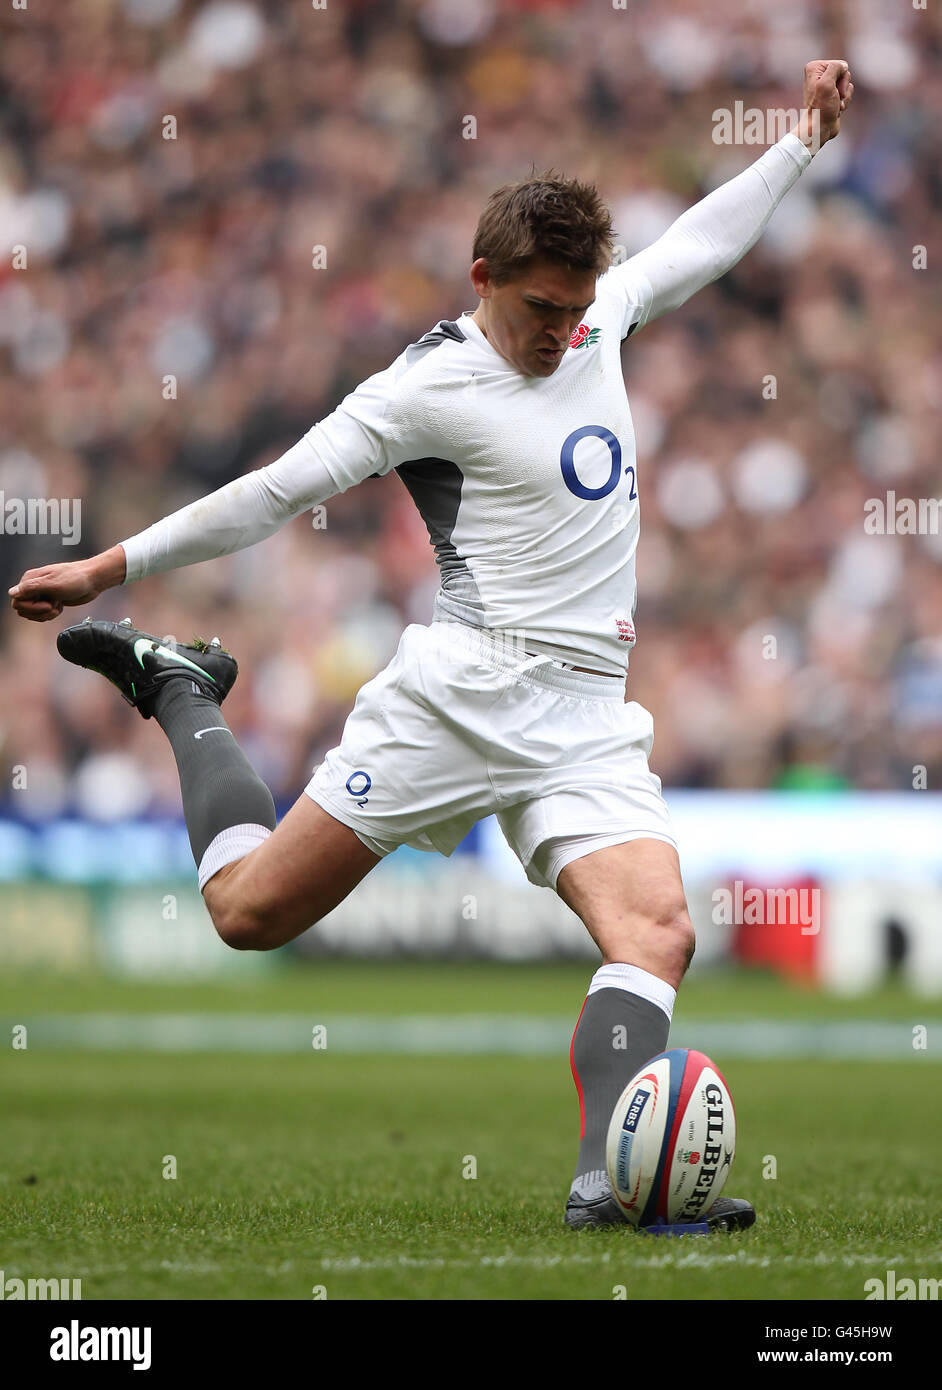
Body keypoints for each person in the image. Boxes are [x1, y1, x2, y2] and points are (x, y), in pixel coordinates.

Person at [10, 60, 853, 1231]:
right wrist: (111, 566)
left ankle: (609, 1182)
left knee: (657, 929)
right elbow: (271, 490)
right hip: (459, 697)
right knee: (247, 913)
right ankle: (181, 689)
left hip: (584, 716)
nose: (564, 331)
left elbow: (701, 244)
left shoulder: (599, 318)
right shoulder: (423, 391)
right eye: (541, 311)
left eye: (578, 306)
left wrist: (801, 144)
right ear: (483, 278)